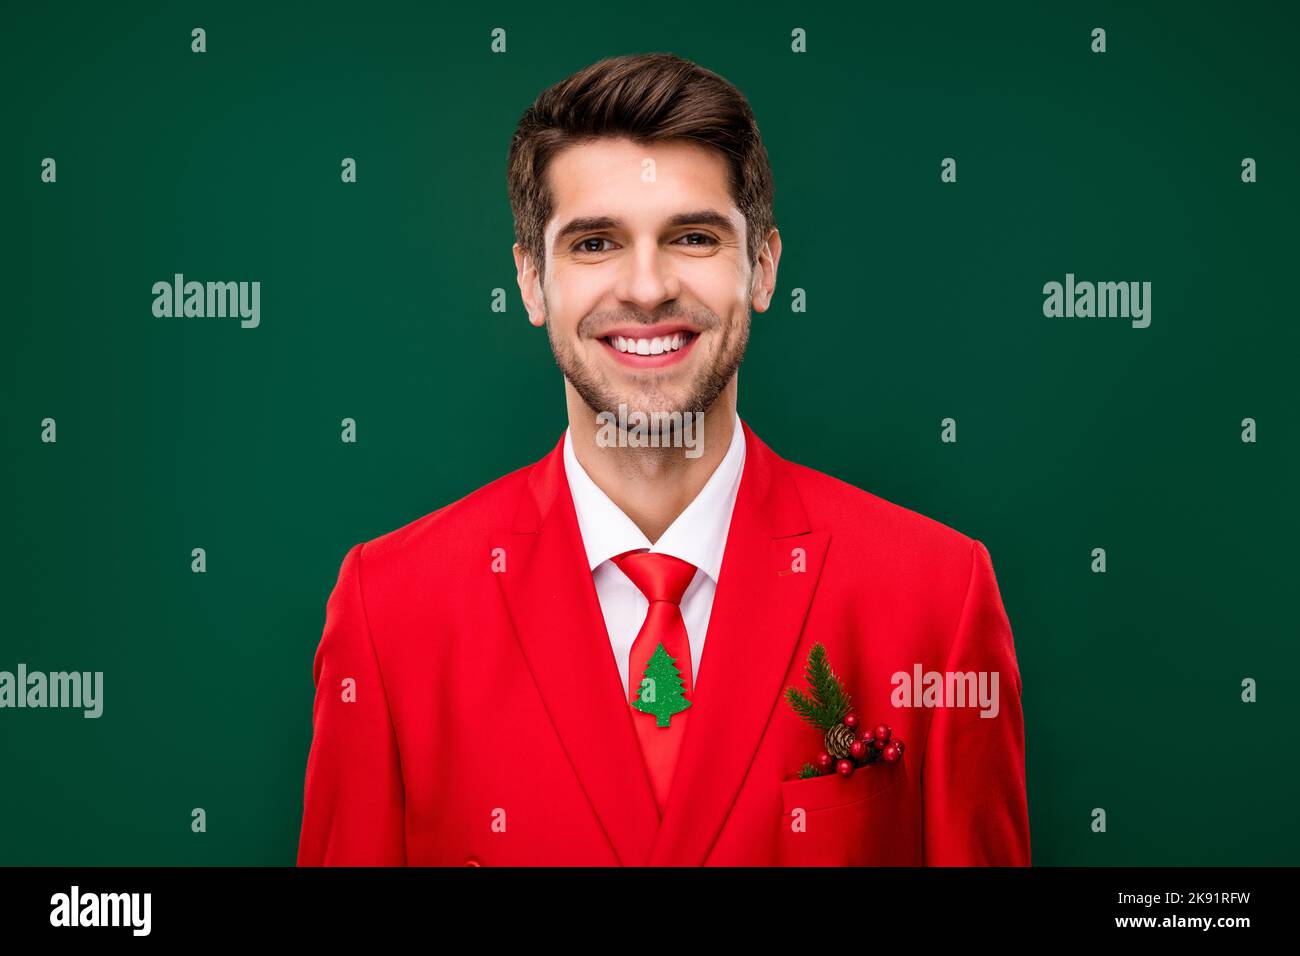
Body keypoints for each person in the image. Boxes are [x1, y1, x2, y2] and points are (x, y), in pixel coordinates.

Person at [296, 52, 1030, 866]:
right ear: (532, 282)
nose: (647, 289)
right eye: (596, 242)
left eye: (692, 236)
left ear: (763, 267)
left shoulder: (938, 594)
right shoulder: (389, 611)